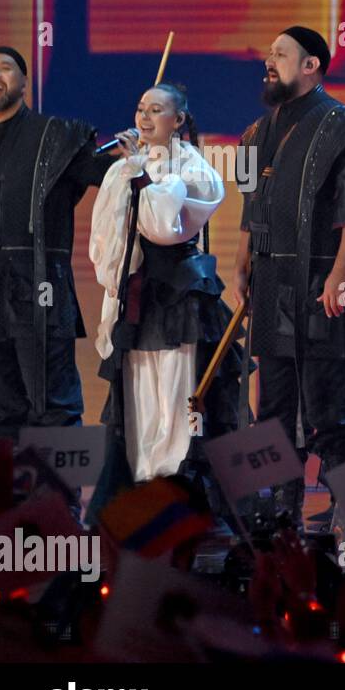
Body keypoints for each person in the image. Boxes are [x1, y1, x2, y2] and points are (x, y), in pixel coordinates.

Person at [231, 26, 345, 530]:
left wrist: (341, 275)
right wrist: (241, 265)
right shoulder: (255, 134)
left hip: (324, 281)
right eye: (269, 53)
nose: (269, 61)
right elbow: (251, 211)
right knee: (271, 406)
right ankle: (276, 515)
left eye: (281, 54)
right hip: (272, 283)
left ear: (312, 64)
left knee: (329, 408)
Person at [88, 83, 240, 491]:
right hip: (137, 293)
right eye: (141, 109)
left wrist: (139, 172)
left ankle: (173, 482)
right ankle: (143, 488)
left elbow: (163, 228)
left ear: (178, 120)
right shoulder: (122, 168)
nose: (145, 117)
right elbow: (106, 237)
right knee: (140, 396)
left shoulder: (191, 169)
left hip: (177, 291)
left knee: (176, 392)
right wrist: (131, 170)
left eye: (156, 110)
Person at [0, 46, 115, 442]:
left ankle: (62, 502)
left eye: (5, 68)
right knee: (1, 408)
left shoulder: (56, 137)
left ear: (25, 82)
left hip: (41, 289)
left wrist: (142, 160)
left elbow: (107, 175)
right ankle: (10, 500)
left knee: (55, 403)